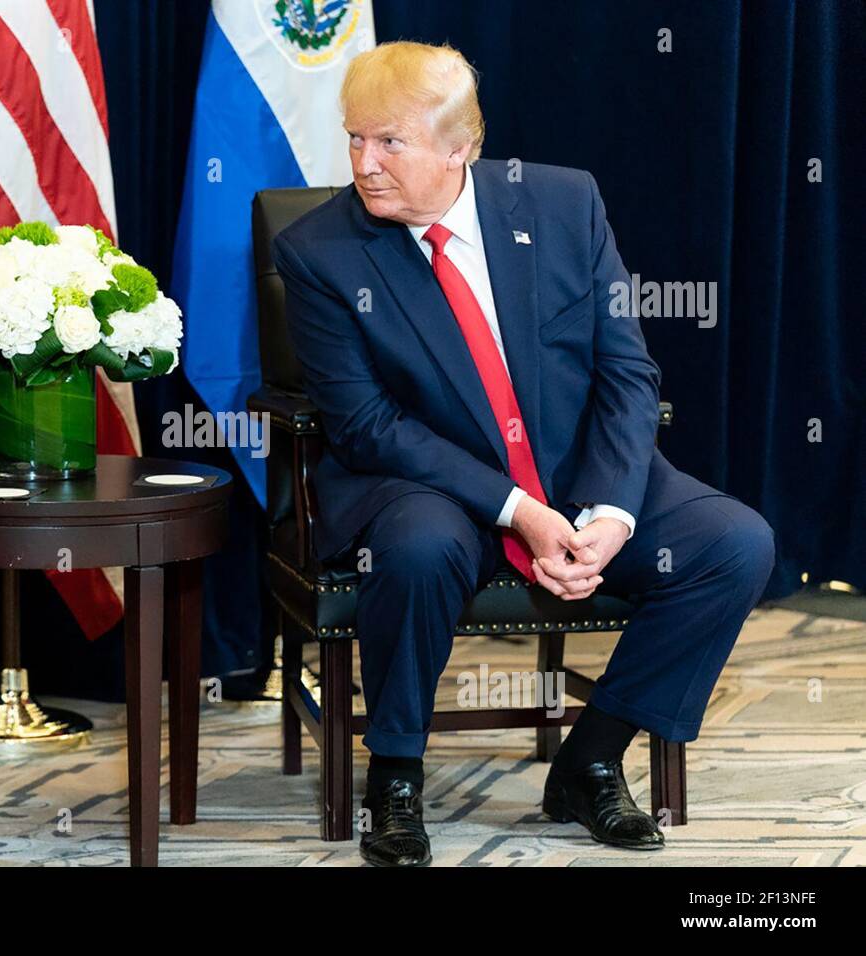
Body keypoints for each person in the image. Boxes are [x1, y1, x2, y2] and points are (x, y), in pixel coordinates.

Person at [272, 41, 776, 867]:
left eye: (389, 142)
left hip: (576, 469)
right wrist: (519, 511)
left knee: (735, 544)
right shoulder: (321, 251)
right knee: (422, 546)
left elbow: (626, 368)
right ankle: (395, 775)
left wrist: (611, 510)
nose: (364, 163)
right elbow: (365, 423)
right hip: (423, 481)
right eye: (355, 138)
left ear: (459, 147)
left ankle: (592, 757)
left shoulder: (563, 203)